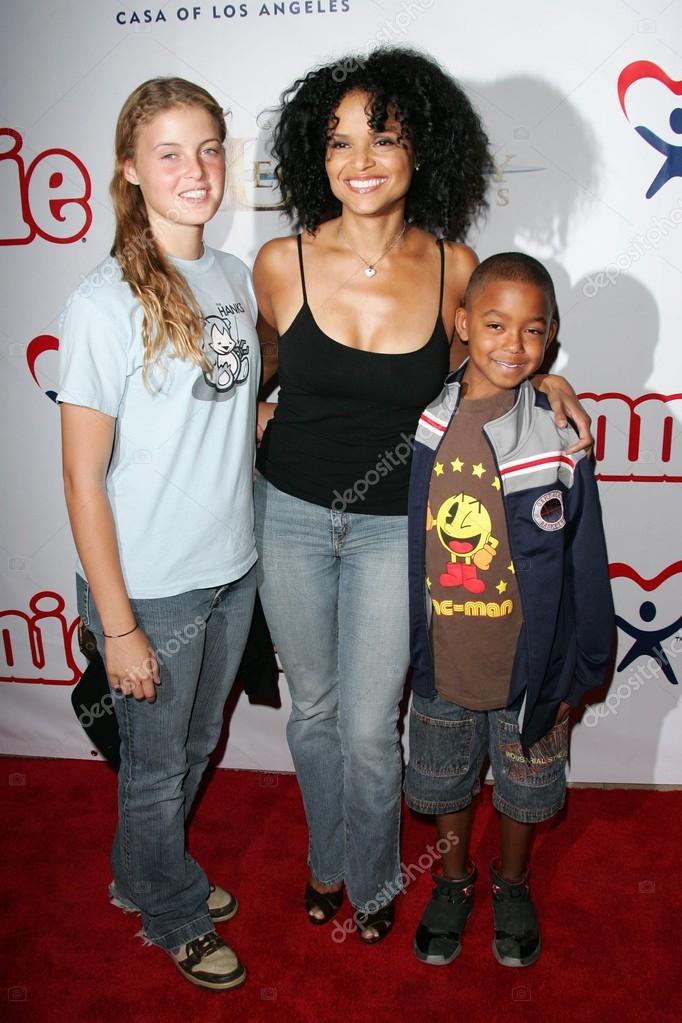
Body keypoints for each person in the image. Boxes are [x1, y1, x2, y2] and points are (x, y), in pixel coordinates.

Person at [253, 49, 593, 943]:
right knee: (313, 713)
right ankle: (330, 861)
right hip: (286, 510)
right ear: (312, 157)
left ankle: (369, 881)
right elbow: (251, 373)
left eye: (383, 136)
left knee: (370, 727)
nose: (358, 158)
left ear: (421, 151)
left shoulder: (454, 267)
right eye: (337, 141)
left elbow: (487, 368)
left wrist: (547, 385)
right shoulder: (278, 263)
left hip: (391, 528)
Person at [58, 78, 259, 991]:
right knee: (150, 767)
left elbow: (225, 410)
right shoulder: (102, 301)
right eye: (169, 152)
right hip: (151, 584)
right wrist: (121, 625)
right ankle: (169, 910)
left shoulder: (231, 275)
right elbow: (80, 475)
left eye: (208, 147)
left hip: (232, 566)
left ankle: (140, 871)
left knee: (187, 748)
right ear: (130, 172)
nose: (195, 169)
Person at [404, 252, 614, 967]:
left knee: (526, 792)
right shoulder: (425, 418)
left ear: (550, 337)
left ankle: (513, 883)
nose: (513, 345)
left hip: (530, 665)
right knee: (443, 780)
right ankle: (453, 878)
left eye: (532, 331)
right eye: (494, 324)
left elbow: (585, 555)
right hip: (443, 658)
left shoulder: (559, 432)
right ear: (462, 323)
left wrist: (579, 666)